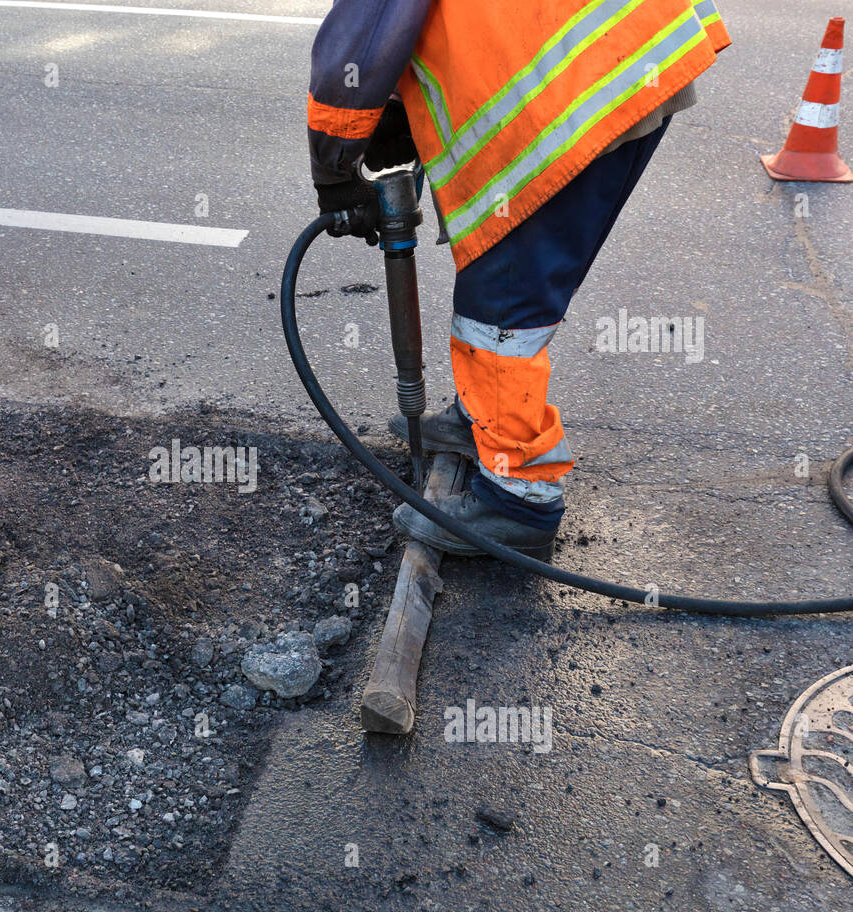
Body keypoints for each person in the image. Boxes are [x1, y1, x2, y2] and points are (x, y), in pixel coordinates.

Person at [307, 0, 731, 556]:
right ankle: (483, 420)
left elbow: (365, 36)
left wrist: (335, 166)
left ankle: (519, 498)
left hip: (572, 93)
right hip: (625, 60)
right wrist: (396, 104)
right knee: (520, 284)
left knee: (501, 305)